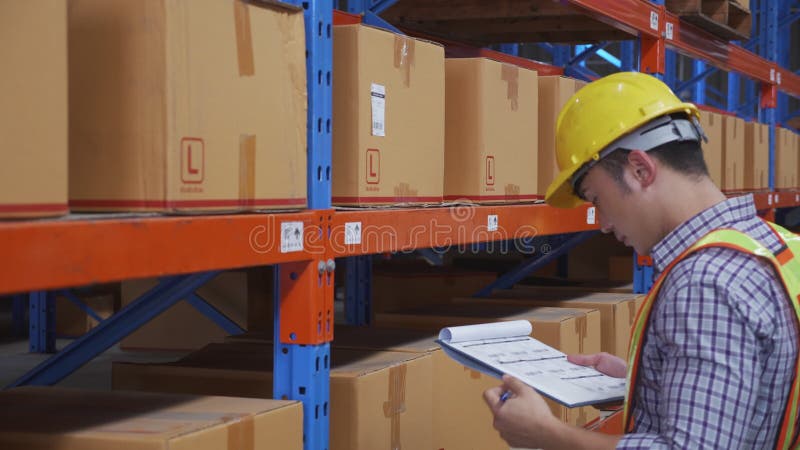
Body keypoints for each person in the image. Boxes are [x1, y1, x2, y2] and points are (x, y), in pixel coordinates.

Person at [483, 72, 800, 449]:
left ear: (640, 169)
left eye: (596, 198)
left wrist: (549, 435)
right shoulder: (774, 245)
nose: (602, 224)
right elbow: (757, 385)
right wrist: (640, 380)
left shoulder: (705, 282)